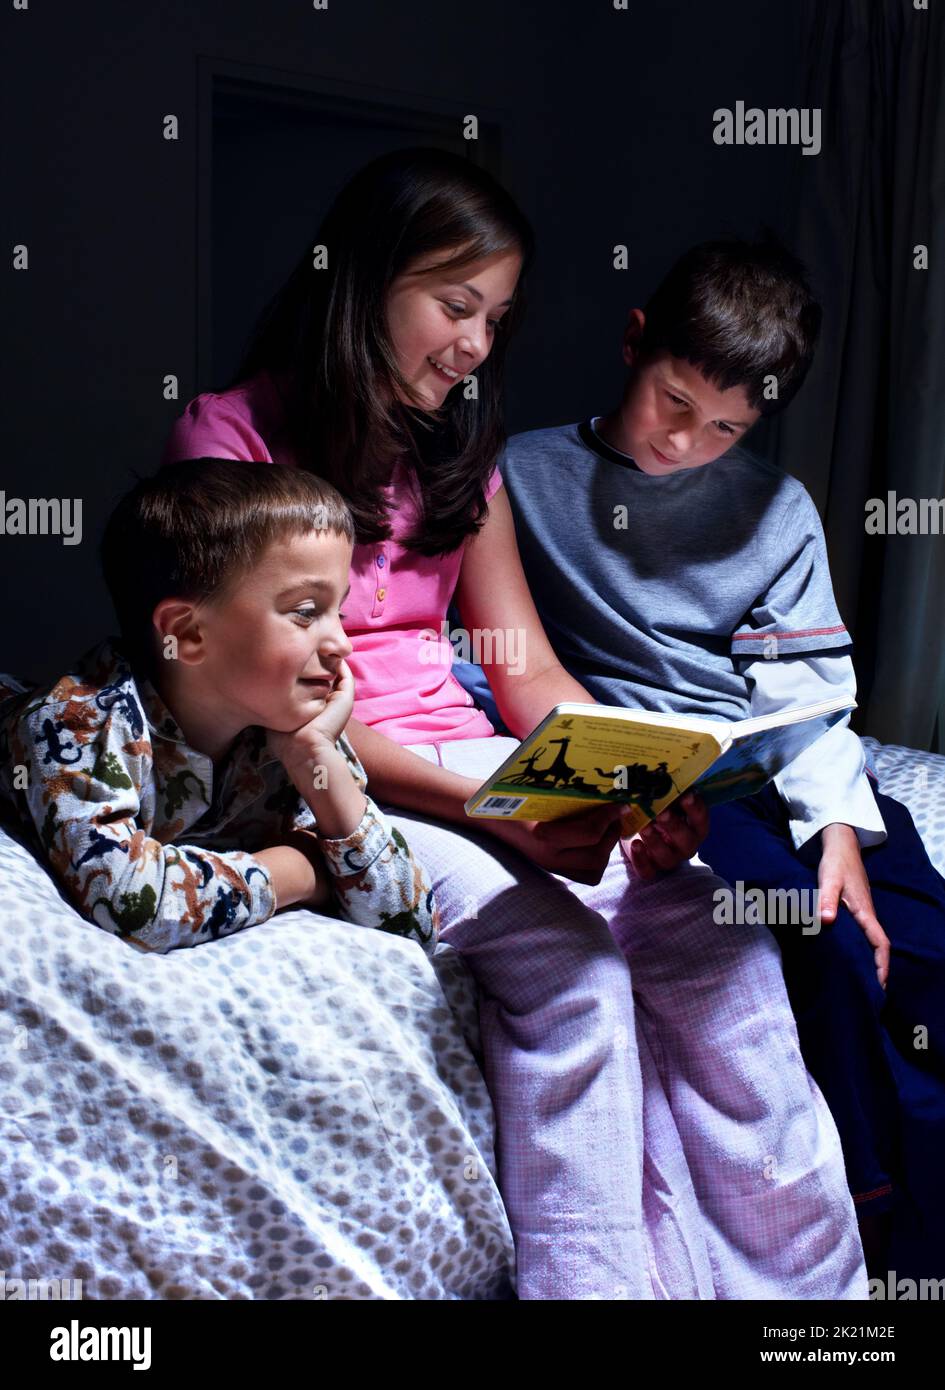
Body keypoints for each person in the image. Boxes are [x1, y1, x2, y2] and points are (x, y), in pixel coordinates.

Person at [162, 147, 868, 1299]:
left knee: (715, 941)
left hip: (462, 746)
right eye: (454, 306)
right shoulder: (228, 442)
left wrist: (636, 778)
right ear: (368, 281)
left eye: (496, 316)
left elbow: (526, 667)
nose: (477, 347)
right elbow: (276, 715)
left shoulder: (456, 447)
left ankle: (813, 1304)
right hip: (325, 769)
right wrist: (504, 815)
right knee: (572, 964)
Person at [485, 236, 945, 1279]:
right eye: (675, 402)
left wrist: (839, 830)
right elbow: (499, 660)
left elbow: (809, 700)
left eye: (727, 426)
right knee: (824, 946)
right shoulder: (521, 475)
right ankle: (877, 1220)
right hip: (675, 780)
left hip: (788, 768)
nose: (689, 443)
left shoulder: (778, 510)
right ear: (634, 343)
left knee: (915, 942)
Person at [0, 459, 437, 955]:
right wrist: (296, 871)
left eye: (339, 610)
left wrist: (315, 756)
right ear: (187, 634)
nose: (342, 643)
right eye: (307, 612)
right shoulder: (77, 726)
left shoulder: (295, 729)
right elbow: (132, 904)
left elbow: (412, 923)